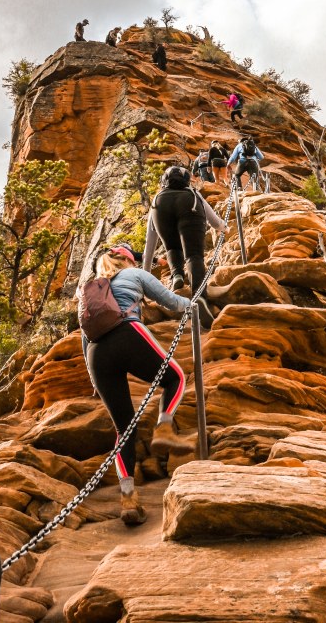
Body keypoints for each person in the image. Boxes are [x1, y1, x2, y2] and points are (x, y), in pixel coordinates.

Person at [78, 244, 194, 528]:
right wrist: (191, 306)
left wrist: (95, 379)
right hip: (128, 332)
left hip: (96, 354)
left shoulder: (91, 290)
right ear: (128, 260)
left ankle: (128, 498)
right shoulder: (135, 275)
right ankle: (164, 427)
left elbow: (85, 336)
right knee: (175, 377)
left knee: (124, 428)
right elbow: (170, 300)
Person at [143, 166, 226, 304]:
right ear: (186, 180)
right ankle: (199, 297)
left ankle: (177, 275)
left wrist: (145, 275)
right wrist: (224, 228)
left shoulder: (157, 199)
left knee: (171, 247)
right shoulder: (192, 193)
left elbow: (150, 242)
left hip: (162, 206)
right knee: (193, 255)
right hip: (189, 203)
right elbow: (215, 222)